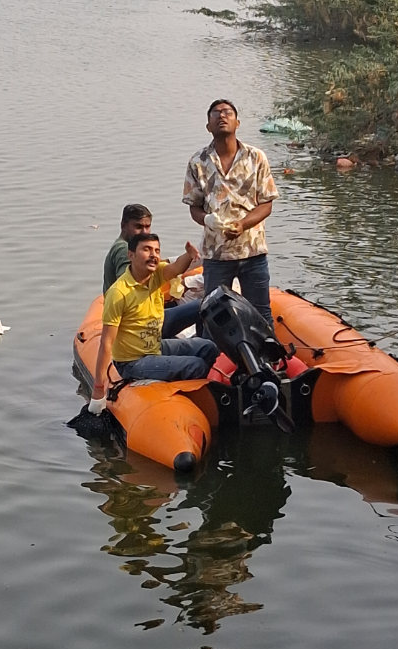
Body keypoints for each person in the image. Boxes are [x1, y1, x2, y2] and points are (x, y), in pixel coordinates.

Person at [88, 233, 219, 414]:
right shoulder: (119, 293)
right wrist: (98, 388)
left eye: (157, 250)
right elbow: (106, 342)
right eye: (146, 249)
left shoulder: (156, 276)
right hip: (132, 362)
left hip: (155, 347)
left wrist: (189, 255)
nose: (153, 255)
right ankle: (187, 402)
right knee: (196, 365)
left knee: (208, 347)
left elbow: (176, 267)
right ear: (131, 255)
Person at [183, 99, 280, 327]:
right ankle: (211, 361)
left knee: (260, 315)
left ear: (237, 122)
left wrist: (242, 225)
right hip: (216, 255)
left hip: (252, 251)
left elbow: (266, 204)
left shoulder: (256, 157)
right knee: (214, 316)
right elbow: (193, 207)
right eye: (215, 113)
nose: (221, 116)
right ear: (208, 126)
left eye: (227, 112)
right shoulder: (198, 162)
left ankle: (269, 363)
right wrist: (208, 220)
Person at [103, 203, 201, 338]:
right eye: (138, 227)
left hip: (148, 317)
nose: (144, 232)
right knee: (204, 306)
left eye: (147, 227)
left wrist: (189, 255)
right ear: (124, 226)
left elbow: (174, 268)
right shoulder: (125, 250)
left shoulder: (128, 246)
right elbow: (127, 287)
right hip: (139, 324)